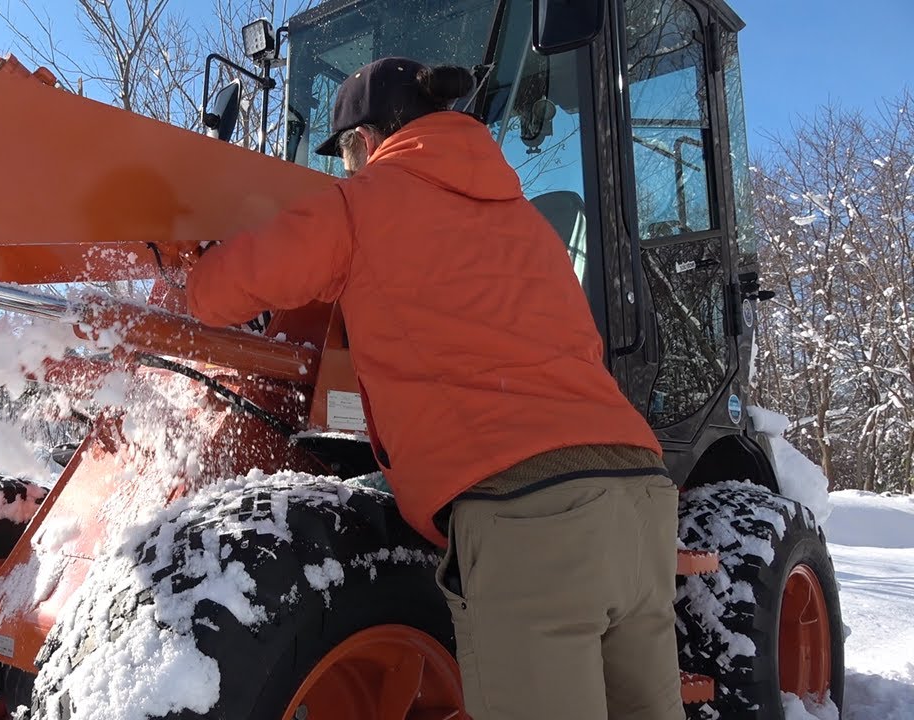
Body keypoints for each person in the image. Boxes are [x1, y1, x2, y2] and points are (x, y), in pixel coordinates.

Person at [185, 56, 684, 720]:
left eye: (346, 156)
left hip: (530, 518)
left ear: (365, 140)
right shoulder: (527, 224)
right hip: (639, 500)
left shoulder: (363, 204)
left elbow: (222, 291)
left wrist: (186, 273)